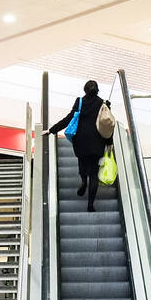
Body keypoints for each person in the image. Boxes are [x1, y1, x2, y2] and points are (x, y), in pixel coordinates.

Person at [47, 79, 113, 213]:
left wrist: (52, 130)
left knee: (82, 165)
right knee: (94, 173)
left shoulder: (80, 101)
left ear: (85, 90)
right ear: (97, 90)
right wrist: (109, 142)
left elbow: (69, 118)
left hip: (81, 140)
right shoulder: (103, 103)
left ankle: (83, 182)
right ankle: (90, 205)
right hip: (97, 141)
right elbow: (107, 124)